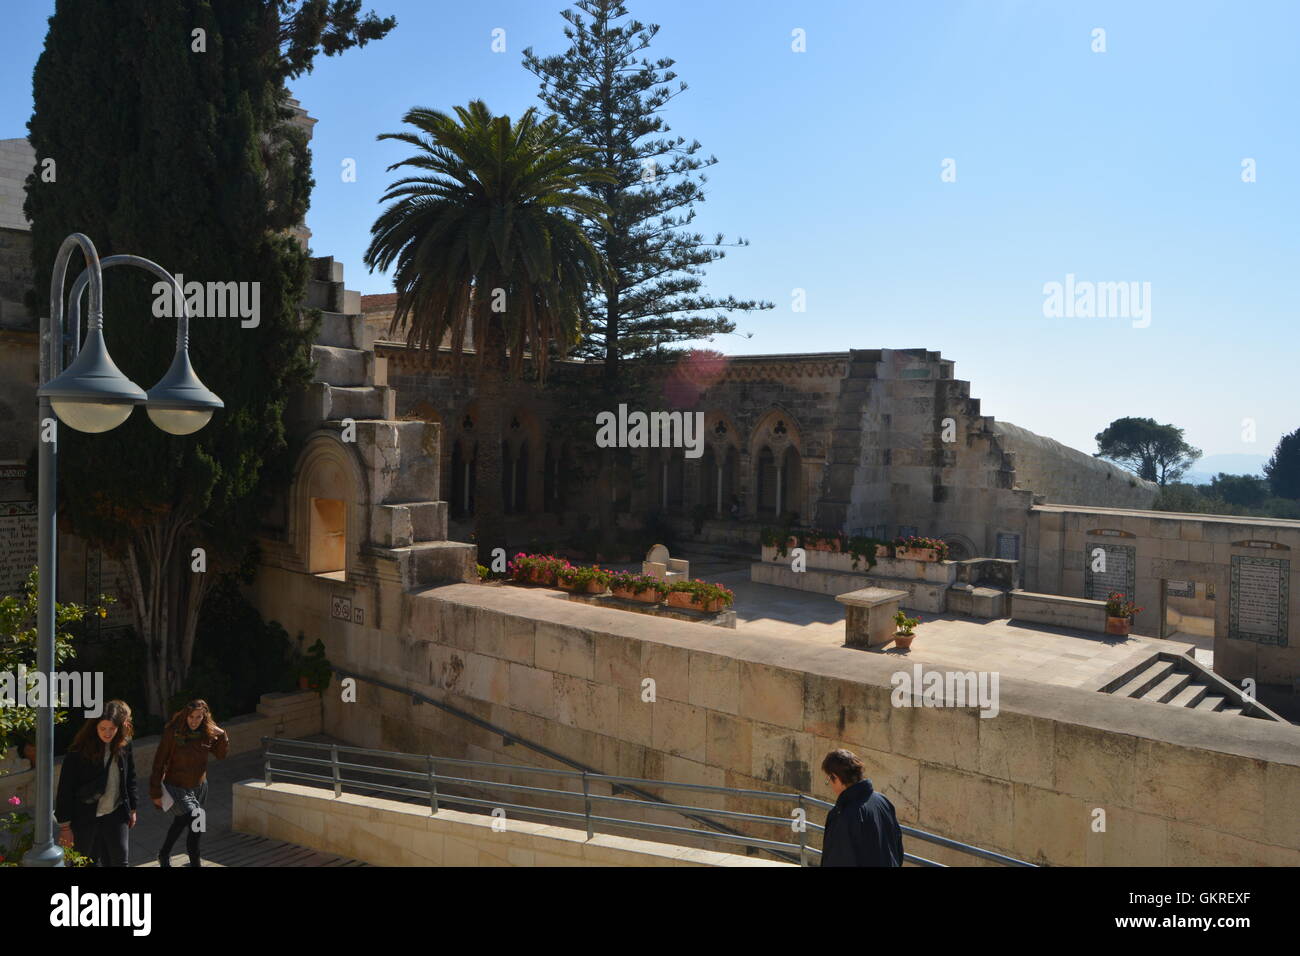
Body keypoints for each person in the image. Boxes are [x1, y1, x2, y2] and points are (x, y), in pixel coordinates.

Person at [54, 700, 138, 866]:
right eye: (102, 728)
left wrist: (132, 808)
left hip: (116, 813)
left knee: (120, 862)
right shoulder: (77, 754)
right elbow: (65, 791)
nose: (107, 733)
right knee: (84, 863)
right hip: (85, 818)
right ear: (94, 727)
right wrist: (65, 828)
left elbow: (130, 778)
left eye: (112, 729)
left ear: (119, 727)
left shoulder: (124, 745)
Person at [151, 699, 229, 867]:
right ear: (186, 716)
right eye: (191, 717)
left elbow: (221, 755)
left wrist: (222, 735)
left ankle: (163, 854)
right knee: (197, 818)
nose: (194, 721)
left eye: (199, 717)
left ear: (204, 717)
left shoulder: (207, 732)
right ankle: (195, 862)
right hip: (177, 787)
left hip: (199, 787)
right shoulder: (173, 732)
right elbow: (159, 762)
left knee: (181, 821)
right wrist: (155, 792)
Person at [819, 749, 904, 867]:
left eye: (829, 779)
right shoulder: (883, 802)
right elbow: (897, 850)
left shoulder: (843, 815)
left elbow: (837, 860)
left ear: (836, 777)